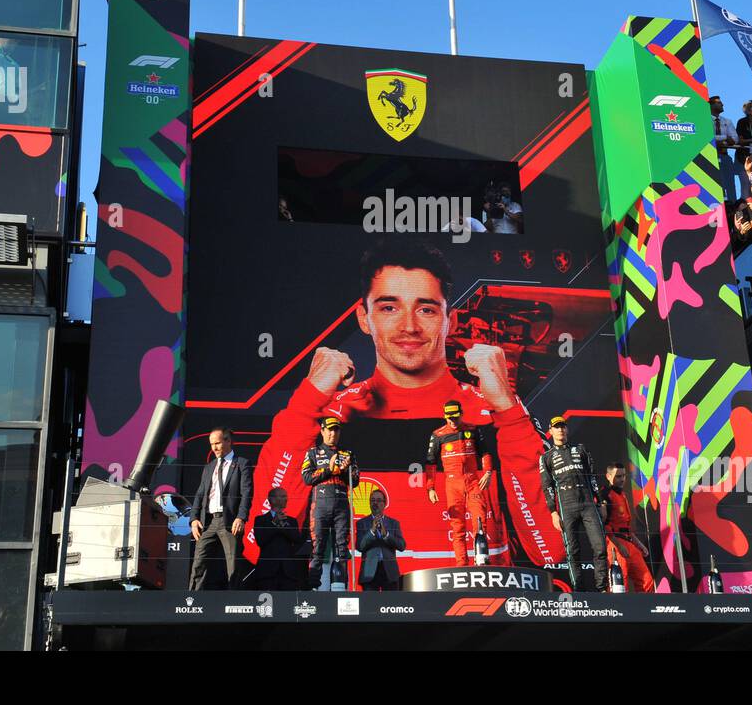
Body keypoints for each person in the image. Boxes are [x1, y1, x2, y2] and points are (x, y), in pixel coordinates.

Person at [250, 238, 556, 570]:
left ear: (449, 321)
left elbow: (551, 548)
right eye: (389, 307)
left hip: (478, 614)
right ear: (364, 318)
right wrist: (306, 405)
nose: (409, 326)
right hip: (363, 618)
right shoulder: (331, 414)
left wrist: (509, 413)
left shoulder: (494, 411)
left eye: (425, 309)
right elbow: (259, 546)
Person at [538, 417, 608, 592]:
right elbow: (547, 487)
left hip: (587, 503)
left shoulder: (581, 450)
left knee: (600, 547)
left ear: (567, 430)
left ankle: (602, 588)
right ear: (551, 431)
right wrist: (553, 512)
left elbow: (592, 477)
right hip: (565, 505)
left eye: (563, 426)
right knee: (573, 551)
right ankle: (578, 591)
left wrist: (601, 502)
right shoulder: (546, 457)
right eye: (556, 427)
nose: (560, 430)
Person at [425, 399, 494, 566]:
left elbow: (485, 452)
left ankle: (481, 559)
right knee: (457, 526)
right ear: (444, 416)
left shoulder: (473, 429)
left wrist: (488, 472)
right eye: (449, 417)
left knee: (480, 521)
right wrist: (430, 488)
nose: (452, 421)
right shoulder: (438, 435)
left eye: (455, 417)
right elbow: (430, 462)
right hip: (452, 483)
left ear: (461, 414)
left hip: (472, 481)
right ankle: (461, 564)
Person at [189, 428, 253, 590]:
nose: (214, 448)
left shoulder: (241, 464)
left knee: (233, 565)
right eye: (212, 444)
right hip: (208, 522)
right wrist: (194, 519)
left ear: (228, 441)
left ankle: (233, 602)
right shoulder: (209, 467)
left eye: (217, 443)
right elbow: (200, 494)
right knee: (199, 564)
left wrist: (241, 517)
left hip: (230, 521)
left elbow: (247, 493)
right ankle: (191, 602)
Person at [302, 417, 357, 590]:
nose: (333, 433)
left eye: (336, 430)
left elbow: (355, 480)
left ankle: (340, 589)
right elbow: (307, 477)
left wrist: (345, 470)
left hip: (341, 505)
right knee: (318, 549)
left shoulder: (348, 454)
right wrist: (328, 469)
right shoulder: (313, 452)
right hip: (320, 506)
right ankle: (313, 590)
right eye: (330, 430)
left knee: (341, 548)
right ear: (322, 431)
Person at [600, 464, 654, 592]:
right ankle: (618, 610)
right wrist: (618, 545)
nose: (622, 479)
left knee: (646, 581)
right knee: (619, 583)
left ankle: (645, 610)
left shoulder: (622, 495)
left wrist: (639, 544)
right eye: (618, 476)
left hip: (629, 543)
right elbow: (603, 524)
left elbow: (626, 526)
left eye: (624, 476)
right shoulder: (605, 494)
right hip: (614, 543)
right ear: (608, 476)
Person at [247, 487, 304, 590]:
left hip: (288, 573)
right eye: (282, 496)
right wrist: (274, 523)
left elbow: (297, 539)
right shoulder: (260, 520)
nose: (286, 499)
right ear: (271, 499)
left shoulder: (291, 521)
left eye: (285, 496)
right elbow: (261, 540)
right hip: (267, 572)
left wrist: (284, 525)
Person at [357, 490, 406, 591]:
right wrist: (371, 531)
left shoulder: (393, 523)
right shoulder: (362, 523)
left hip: (389, 571)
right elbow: (360, 546)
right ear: (370, 503)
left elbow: (402, 546)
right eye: (373, 500)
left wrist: (387, 535)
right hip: (369, 572)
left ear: (385, 504)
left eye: (379, 500)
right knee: (369, 604)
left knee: (391, 604)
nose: (375, 503)